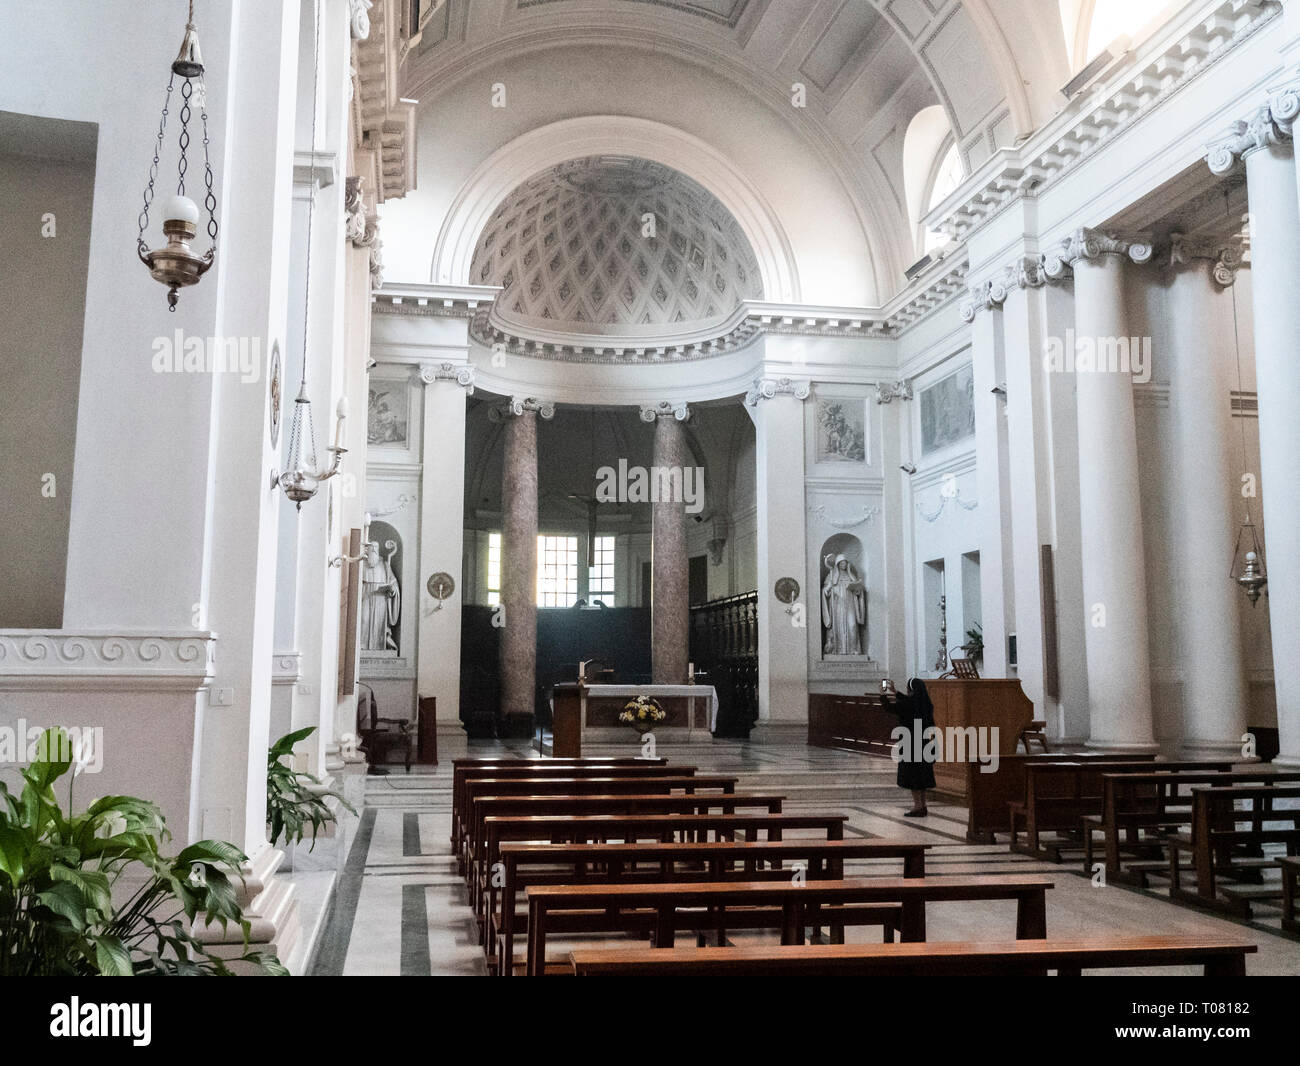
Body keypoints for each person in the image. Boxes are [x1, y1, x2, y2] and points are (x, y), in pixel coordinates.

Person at [888, 677, 937, 817]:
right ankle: (923, 805)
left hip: (910, 745)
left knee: (913, 777)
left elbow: (891, 708)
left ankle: (917, 806)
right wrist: (895, 692)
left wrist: (883, 695)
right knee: (921, 776)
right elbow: (910, 702)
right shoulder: (926, 704)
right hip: (925, 744)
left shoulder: (909, 704)